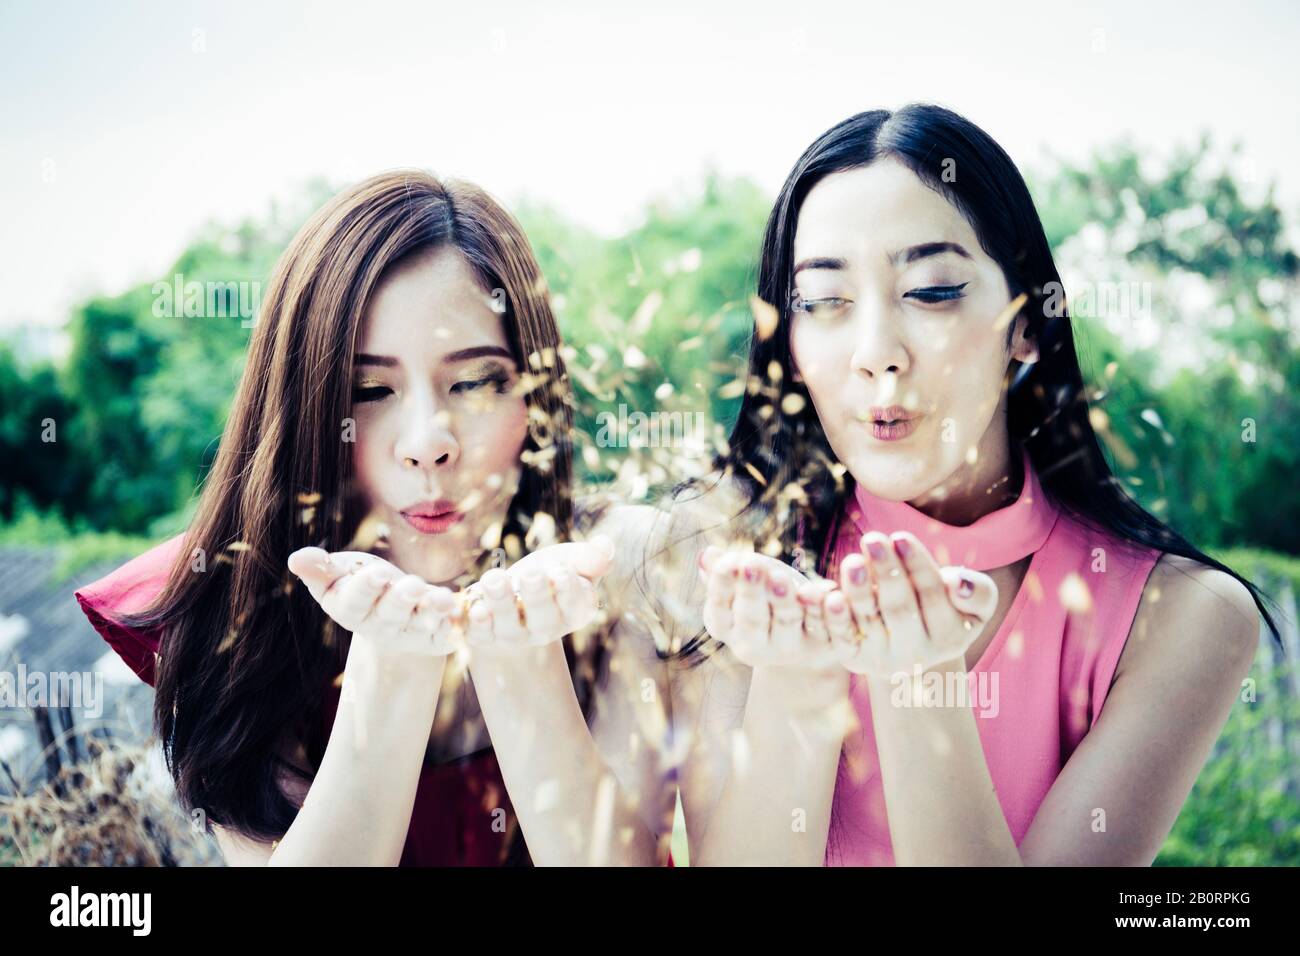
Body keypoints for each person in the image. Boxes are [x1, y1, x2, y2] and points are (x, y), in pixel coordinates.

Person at [644, 103, 1278, 865]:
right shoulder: (730, 559)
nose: (877, 353)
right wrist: (800, 677)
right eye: (822, 302)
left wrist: (918, 678)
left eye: (933, 291)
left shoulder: (1181, 614)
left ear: (1027, 324)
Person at [75, 170, 676, 866]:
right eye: (370, 389)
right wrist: (394, 660)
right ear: (305, 409)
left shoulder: (612, 576)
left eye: (476, 382)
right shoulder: (230, 608)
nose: (428, 442)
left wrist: (520, 657)